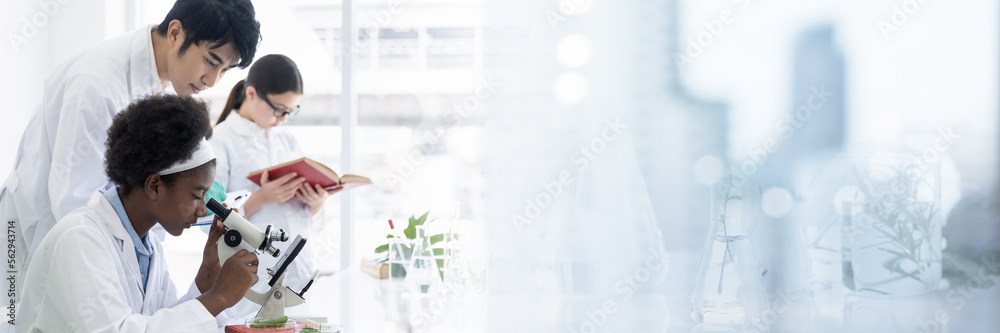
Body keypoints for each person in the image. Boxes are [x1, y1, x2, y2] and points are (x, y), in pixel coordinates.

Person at [0, 0, 262, 299]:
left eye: (225, 70)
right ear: (175, 33)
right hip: (38, 236)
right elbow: (76, 204)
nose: (212, 80)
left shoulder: (168, 81)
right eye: (211, 61)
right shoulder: (97, 85)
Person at [17, 94, 259, 332]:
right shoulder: (80, 238)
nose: (203, 210)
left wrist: (209, 274)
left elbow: (162, 323)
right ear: (154, 186)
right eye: (197, 195)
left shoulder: (148, 246)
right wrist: (219, 297)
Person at [210, 54, 339, 297]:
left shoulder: (288, 140)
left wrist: (315, 203)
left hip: (300, 270)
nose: (284, 119)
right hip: (252, 276)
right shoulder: (221, 140)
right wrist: (262, 197)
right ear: (251, 94)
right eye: (279, 110)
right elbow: (209, 216)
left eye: (291, 111)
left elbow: (298, 215)